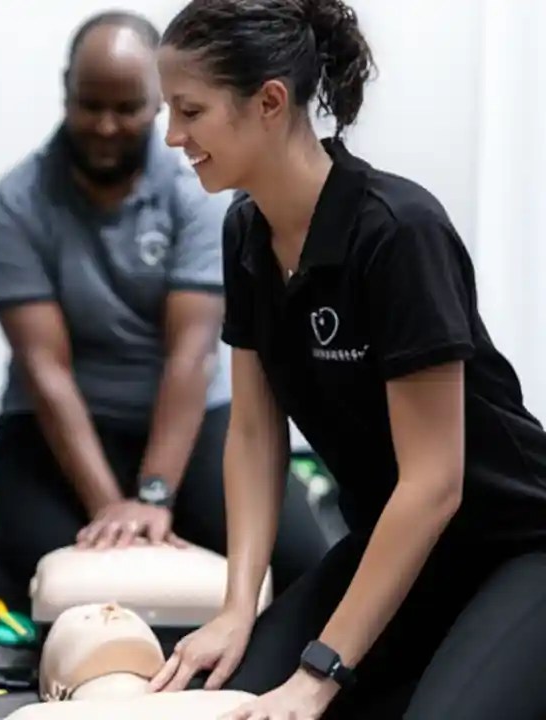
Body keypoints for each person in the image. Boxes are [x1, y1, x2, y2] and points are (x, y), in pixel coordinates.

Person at [149, 1, 546, 718]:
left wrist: (322, 670)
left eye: (190, 111)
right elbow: (253, 433)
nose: (174, 136)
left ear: (269, 101)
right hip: (396, 548)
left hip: (517, 546)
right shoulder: (246, 232)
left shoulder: (398, 231)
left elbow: (433, 486)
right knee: (231, 701)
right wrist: (239, 608)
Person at [0, 10, 328, 601]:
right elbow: (46, 369)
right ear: (66, 90)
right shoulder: (14, 202)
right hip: (60, 427)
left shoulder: (200, 191)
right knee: (49, 580)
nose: (107, 125)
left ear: (159, 102)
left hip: (193, 417)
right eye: (90, 105)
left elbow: (191, 354)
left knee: (302, 564)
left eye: (129, 108)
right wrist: (112, 510)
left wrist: (154, 495)